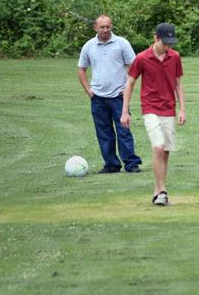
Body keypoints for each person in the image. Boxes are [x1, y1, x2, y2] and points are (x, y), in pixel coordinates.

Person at [121, 22, 186, 206]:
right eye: (165, 43)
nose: (168, 47)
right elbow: (130, 83)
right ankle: (162, 190)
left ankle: (158, 193)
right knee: (158, 147)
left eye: (170, 43)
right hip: (150, 108)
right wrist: (125, 111)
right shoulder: (142, 58)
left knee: (165, 152)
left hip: (169, 109)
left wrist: (182, 109)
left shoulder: (175, 57)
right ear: (155, 38)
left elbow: (178, 84)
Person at [77, 15, 143, 174]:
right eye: (102, 27)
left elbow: (134, 67)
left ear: (111, 26)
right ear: (95, 27)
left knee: (124, 130)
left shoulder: (122, 43)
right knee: (104, 133)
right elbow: (81, 69)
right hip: (98, 98)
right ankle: (111, 165)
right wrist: (88, 90)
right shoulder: (89, 46)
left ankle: (131, 164)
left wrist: (127, 87)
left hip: (118, 96)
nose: (105, 30)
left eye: (108, 26)